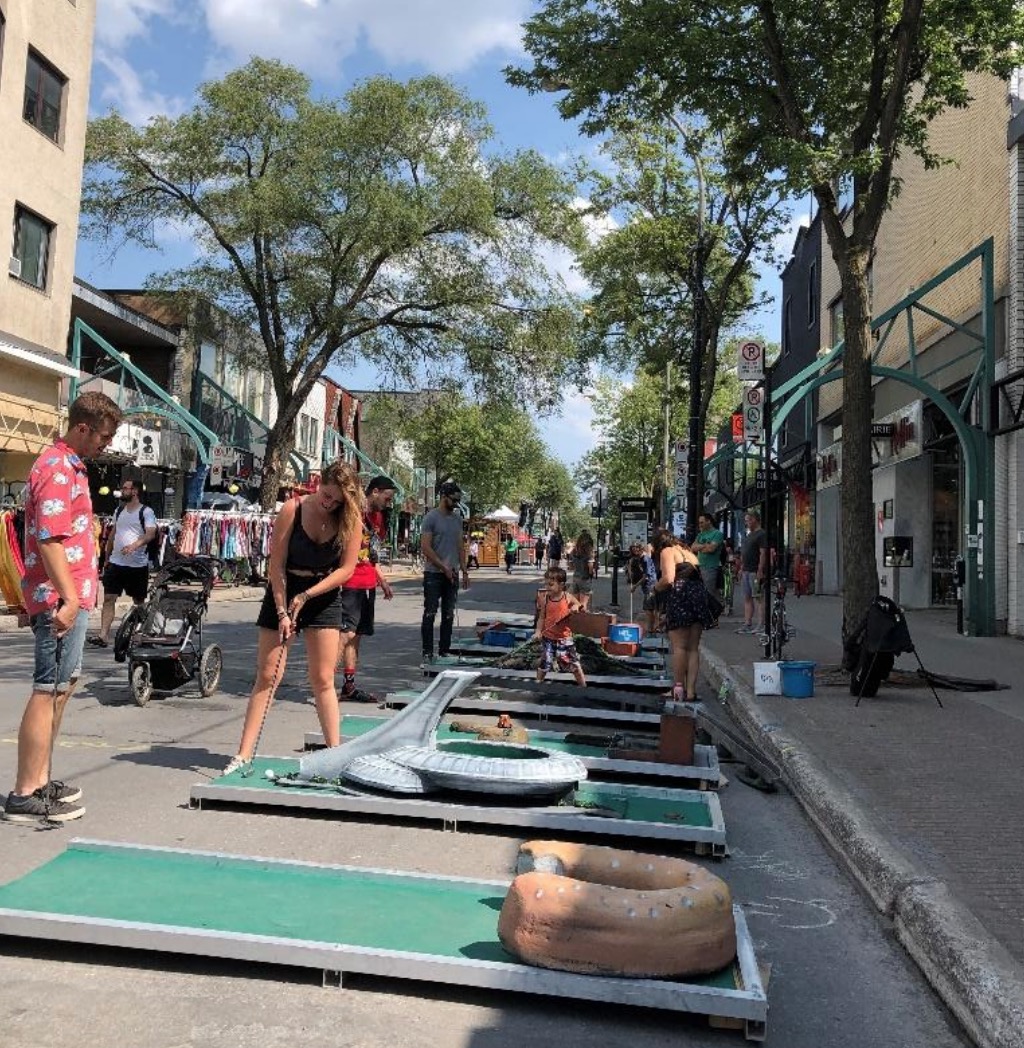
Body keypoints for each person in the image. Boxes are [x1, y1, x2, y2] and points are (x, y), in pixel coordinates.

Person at [4, 392, 123, 823]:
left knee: (60, 688)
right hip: (58, 600)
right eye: (103, 437)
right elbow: (49, 539)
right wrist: (71, 598)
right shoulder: (57, 468)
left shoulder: (68, 468)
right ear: (83, 428)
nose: (105, 446)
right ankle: (24, 791)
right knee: (45, 689)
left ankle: (39, 778)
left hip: (68, 596)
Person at [224, 460, 363, 774]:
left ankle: (335, 757)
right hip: (285, 588)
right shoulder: (293, 508)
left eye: (337, 500)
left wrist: (309, 595)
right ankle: (243, 754)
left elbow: (346, 570)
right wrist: (283, 610)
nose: (330, 504)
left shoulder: (350, 518)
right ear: (319, 484)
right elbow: (276, 565)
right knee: (268, 674)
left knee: (323, 679)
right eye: (327, 495)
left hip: (322, 592)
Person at [337, 476, 397, 705]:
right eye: (387, 498)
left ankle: (349, 685)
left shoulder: (378, 518)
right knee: (346, 634)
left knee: (356, 636)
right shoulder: (353, 511)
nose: (388, 503)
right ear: (374, 491)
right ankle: (324, 684)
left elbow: (372, 555)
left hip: (368, 583)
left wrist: (381, 580)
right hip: (349, 581)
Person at [89, 478, 158, 648]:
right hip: (116, 563)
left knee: (139, 601)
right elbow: (113, 534)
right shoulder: (119, 510)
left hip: (137, 565)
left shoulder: (146, 512)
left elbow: (150, 534)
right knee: (109, 598)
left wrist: (134, 546)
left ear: (135, 491)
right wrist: (106, 558)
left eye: (126, 488)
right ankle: (103, 635)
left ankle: (141, 632)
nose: (122, 491)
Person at [652, 527, 715, 703]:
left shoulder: (667, 551)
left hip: (681, 596)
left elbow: (669, 578)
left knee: (679, 647)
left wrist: (654, 589)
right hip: (698, 596)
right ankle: (690, 692)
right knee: (693, 648)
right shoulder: (688, 551)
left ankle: (677, 689)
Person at [420, 481, 469, 661]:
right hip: (434, 573)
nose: (456, 504)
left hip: (452, 573)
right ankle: (427, 652)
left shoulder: (457, 518)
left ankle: (444, 650)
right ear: (443, 497)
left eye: (458, 500)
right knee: (430, 612)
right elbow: (426, 547)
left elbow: (460, 545)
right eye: (453, 499)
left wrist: (464, 570)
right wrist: (443, 566)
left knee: (448, 614)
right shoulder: (431, 518)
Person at [534, 567, 586, 687]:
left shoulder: (567, 597)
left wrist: (576, 607)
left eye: (551, 585)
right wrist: (538, 631)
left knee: (573, 664)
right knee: (545, 662)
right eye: (546, 584)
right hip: (548, 638)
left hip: (564, 639)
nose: (547, 587)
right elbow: (541, 617)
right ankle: (537, 685)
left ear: (562, 585)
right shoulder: (545, 599)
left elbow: (581, 607)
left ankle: (583, 687)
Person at [736, 510, 768, 635]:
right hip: (747, 570)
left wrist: (760, 570)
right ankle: (747, 623)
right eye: (746, 520)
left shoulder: (761, 534)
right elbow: (745, 553)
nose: (747, 523)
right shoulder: (750, 535)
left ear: (755, 519)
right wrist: (741, 568)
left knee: (759, 597)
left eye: (748, 520)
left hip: (755, 571)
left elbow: (763, 553)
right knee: (747, 597)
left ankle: (761, 624)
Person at [692, 513, 725, 600]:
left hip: (711, 567)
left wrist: (700, 547)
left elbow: (711, 549)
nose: (700, 525)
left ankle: (712, 611)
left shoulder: (717, 534)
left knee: (709, 592)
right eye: (699, 523)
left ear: (709, 521)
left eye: (702, 522)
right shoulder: (701, 534)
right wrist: (704, 545)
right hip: (700, 566)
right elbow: (693, 548)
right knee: (703, 591)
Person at [567, 529, 597, 611]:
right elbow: (590, 565)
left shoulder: (574, 551)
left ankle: (575, 620)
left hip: (576, 577)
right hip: (585, 578)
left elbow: (570, 566)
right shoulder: (589, 552)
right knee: (583, 604)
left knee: (576, 603)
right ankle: (582, 621)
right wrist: (591, 573)